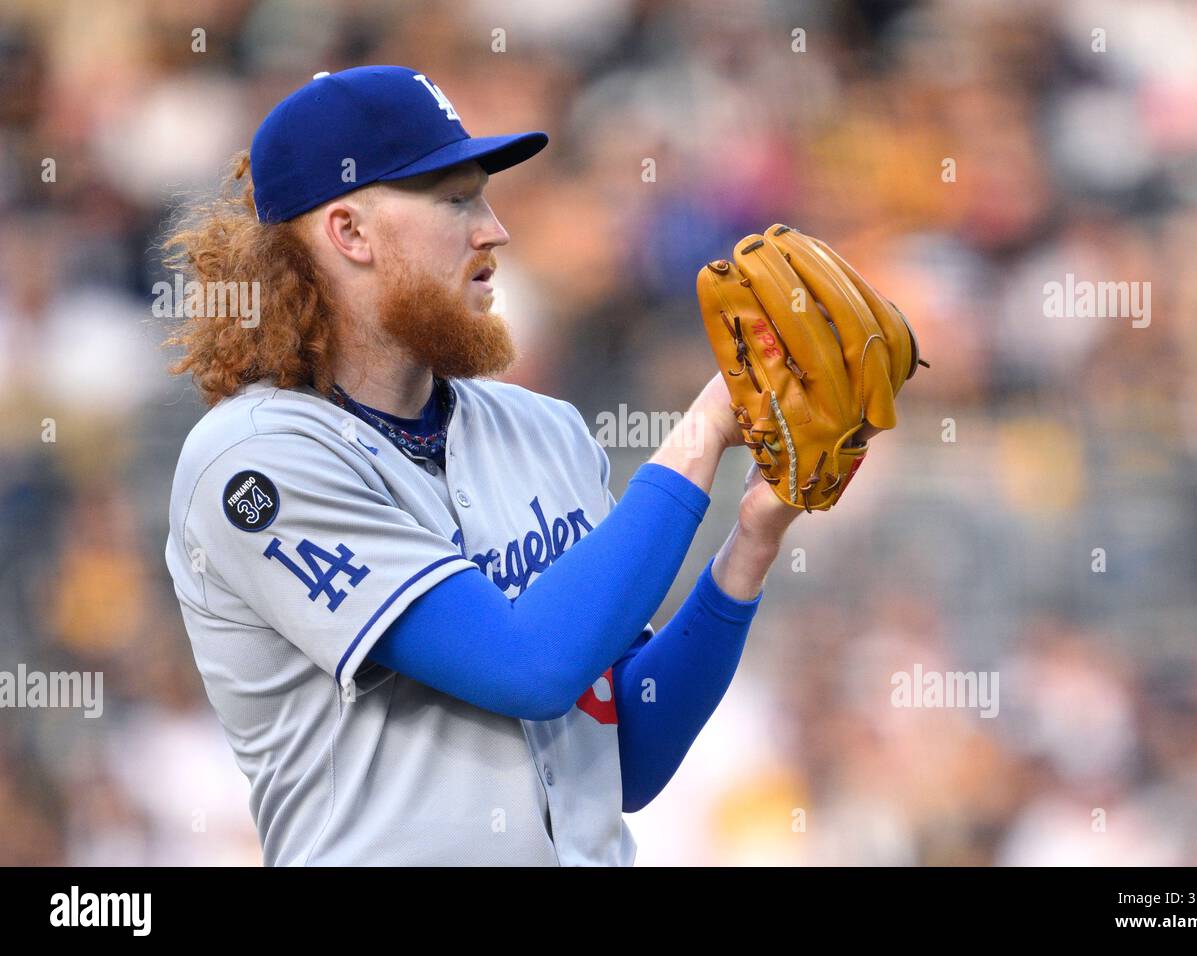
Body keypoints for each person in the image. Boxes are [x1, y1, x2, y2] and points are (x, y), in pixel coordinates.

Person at [162, 65, 809, 865]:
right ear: (349, 232)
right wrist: (705, 428)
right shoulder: (256, 462)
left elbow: (624, 760)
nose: (494, 229)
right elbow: (527, 665)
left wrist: (748, 545)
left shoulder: (544, 431)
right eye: (455, 198)